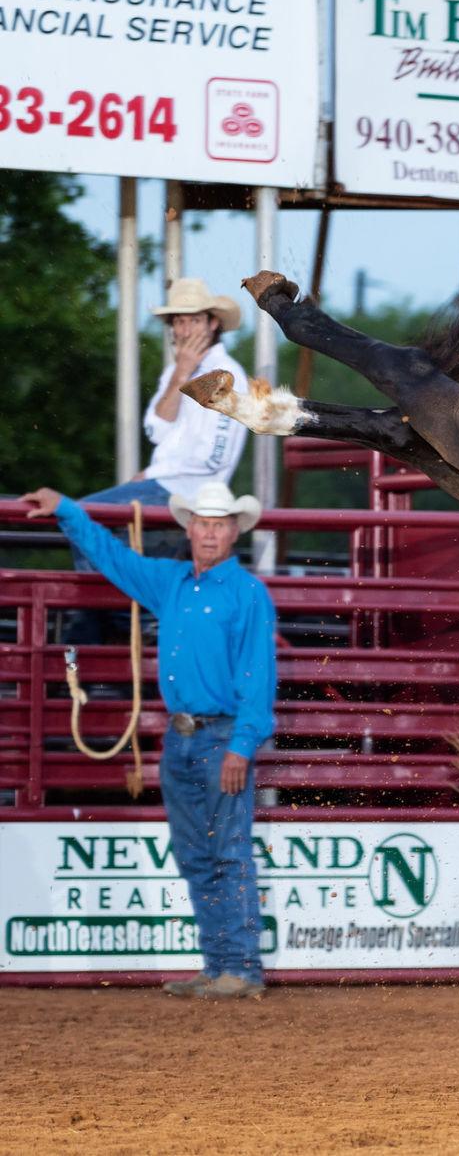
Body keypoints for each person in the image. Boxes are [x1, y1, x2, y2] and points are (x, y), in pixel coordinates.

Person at [22, 480, 277, 999]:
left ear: (233, 531)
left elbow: (258, 673)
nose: (209, 533)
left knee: (226, 850)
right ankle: (220, 964)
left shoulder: (247, 592)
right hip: (182, 738)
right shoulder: (171, 582)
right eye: (202, 524)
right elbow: (111, 557)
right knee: (196, 854)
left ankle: (241, 967)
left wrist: (243, 744)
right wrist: (67, 510)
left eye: (219, 525)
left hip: (221, 736)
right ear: (190, 529)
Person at [64, 278, 250, 641]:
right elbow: (156, 429)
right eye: (178, 321)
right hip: (166, 483)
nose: (184, 329)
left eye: (193, 320)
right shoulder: (179, 370)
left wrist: (152, 473)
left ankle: (111, 614)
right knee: (89, 521)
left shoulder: (226, 377)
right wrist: (181, 374)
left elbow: (212, 457)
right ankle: (116, 615)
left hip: (183, 487)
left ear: (212, 323)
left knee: (83, 516)